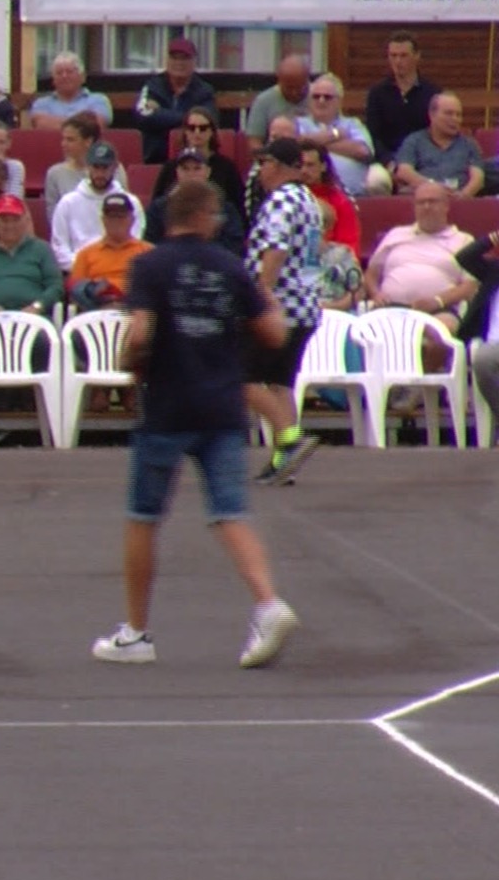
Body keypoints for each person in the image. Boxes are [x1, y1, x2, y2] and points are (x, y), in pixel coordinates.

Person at [93, 179, 300, 668]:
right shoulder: (230, 266)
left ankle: (137, 633)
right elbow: (273, 333)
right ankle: (268, 602)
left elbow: (141, 331)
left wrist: (129, 363)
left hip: (168, 403)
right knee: (230, 511)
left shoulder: (150, 265)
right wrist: (262, 303)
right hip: (222, 406)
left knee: (144, 516)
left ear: (170, 218)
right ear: (207, 217)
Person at [242, 138, 325, 485]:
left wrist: (261, 297)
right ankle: (282, 462)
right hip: (304, 306)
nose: (260, 170)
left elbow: (275, 250)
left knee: (238, 377)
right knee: (279, 383)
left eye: (264, 163)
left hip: (279, 307)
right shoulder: (308, 200)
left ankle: (290, 438)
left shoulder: (281, 200)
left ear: (278, 164)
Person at [363, 182, 475, 324]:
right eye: (421, 202)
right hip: (390, 308)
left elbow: (470, 286)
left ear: (446, 206)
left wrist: (438, 301)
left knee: (440, 332)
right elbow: (371, 273)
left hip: (439, 310)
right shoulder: (396, 234)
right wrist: (375, 294)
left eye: (432, 201)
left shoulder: (463, 240)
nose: (426, 206)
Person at [0, 194, 62, 316]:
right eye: (4, 220)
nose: (10, 225)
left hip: (33, 318)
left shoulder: (42, 249)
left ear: (25, 220)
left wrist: (37, 306)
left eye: (15, 219)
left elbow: (55, 285)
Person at [50, 142, 143, 271]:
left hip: (121, 271)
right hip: (80, 272)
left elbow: (135, 242)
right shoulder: (67, 203)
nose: (100, 173)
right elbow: (59, 249)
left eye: (104, 168)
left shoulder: (131, 203)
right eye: (95, 167)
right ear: (87, 167)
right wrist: (87, 266)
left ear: (115, 168)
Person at [295, 73, 389, 197]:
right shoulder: (299, 123)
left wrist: (316, 143)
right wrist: (336, 134)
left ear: (339, 101)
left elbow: (363, 151)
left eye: (327, 97)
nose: (321, 101)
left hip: (352, 195)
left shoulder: (352, 124)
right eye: (316, 96)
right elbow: (298, 146)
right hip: (310, 195)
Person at [364, 30, 441, 167]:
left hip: (423, 161)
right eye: (393, 56)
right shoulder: (377, 93)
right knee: (376, 183)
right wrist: (388, 161)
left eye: (403, 56)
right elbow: (373, 135)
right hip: (387, 162)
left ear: (417, 56)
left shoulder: (432, 93)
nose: (398, 61)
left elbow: (436, 133)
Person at [134, 37, 216, 164]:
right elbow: (143, 116)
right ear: (167, 60)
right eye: (174, 57)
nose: (179, 62)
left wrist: (161, 113)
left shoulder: (204, 91)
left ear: (194, 61)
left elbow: (209, 120)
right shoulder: (153, 86)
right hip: (154, 158)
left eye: (185, 58)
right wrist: (188, 117)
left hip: (194, 160)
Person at [146, 148, 245, 251]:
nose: (191, 174)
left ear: (208, 172)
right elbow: (150, 243)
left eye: (197, 168)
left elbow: (234, 245)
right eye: (185, 169)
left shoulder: (225, 209)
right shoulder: (159, 208)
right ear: (177, 172)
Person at [393, 91, 485, 198]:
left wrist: (463, 195)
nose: (455, 119)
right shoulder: (414, 140)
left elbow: (478, 178)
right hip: (424, 199)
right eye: (449, 113)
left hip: (459, 199)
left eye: (458, 115)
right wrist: (433, 187)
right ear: (432, 115)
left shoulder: (469, 144)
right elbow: (404, 171)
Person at [69, 194, 150, 310]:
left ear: (132, 219)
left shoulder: (148, 252)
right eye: (111, 216)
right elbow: (75, 291)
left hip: (136, 312)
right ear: (103, 220)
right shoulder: (86, 254)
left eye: (121, 216)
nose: (116, 221)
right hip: (97, 313)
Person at [453, 230, 499, 416]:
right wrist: (493, 238)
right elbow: (465, 257)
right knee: (483, 361)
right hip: (495, 344)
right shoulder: (494, 270)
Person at [42, 112, 121, 215]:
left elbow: (121, 206)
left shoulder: (114, 168)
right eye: (63, 139)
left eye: (70, 140)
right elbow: (53, 214)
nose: (63, 144)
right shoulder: (55, 173)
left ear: (88, 141)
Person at [299, 145, 360, 255]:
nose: (304, 170)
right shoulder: (288, 199)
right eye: (300, 165)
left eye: (310, 165)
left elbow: (348, 246)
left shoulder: (340, 202)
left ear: (323, 166)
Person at [27, 51, 113, 129]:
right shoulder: (41, 103)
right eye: (59, 73)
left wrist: (55, 122)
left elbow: (95, 126)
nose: (64, 76)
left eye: (69, 72)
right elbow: (42, 124)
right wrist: (82, 124)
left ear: (82, 77)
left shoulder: (98, 100)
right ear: (53, 80)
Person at [244, 54, 313, 143]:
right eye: (289, 88)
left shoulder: (321, 97)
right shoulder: (264, 101)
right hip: (273, 154)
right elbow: (254, 141)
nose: (294, 92)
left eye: (299, 87)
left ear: (307, 79)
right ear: (279, 81)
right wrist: (265, 156)